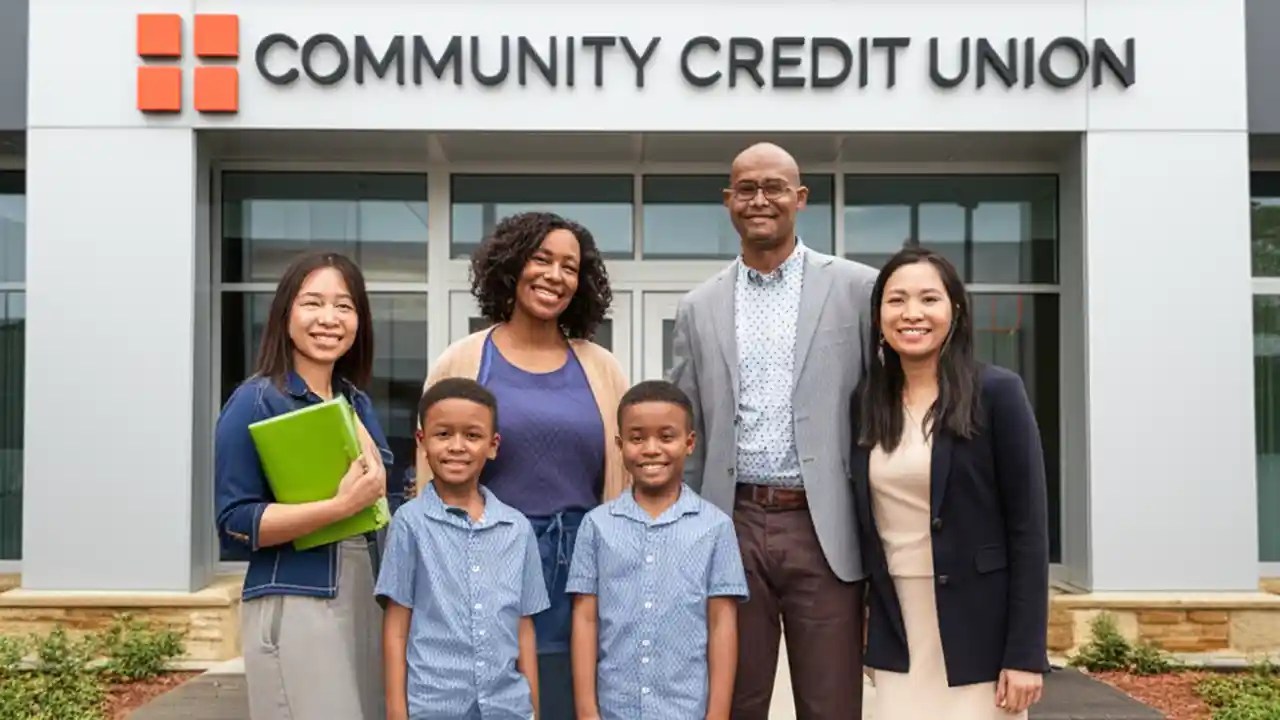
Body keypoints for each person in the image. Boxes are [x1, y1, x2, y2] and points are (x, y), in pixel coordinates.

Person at [668, 142, 878, 717]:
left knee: (830, 702)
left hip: (824, 525)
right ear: (728, 201)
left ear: (800, 198)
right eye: (746, 189)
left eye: (774, 188)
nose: (760, 199)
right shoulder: (698, 306)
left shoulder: (859, 290)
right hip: (729, 523)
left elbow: (880, 410)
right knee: (733, 698)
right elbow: (688, 430)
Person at [420, 211, 629, 719]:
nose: (555, 276)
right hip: (484, 563)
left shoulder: (602, 368)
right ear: (513, 267)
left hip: (579, 566)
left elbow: (621, 484)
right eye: (542, 259)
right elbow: (431, 477)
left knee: (567, 699)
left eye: (569, 267)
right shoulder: (462, 359)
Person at [850, 247, 1050, 719]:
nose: (912, 313)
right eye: (896, 300)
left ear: (954, 312)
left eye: (928, 299)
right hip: (897, 624)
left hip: (978, 627)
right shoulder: (865, 402)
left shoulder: (998, 393)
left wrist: (1025, 654)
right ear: (879, 317)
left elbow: (1029, 531)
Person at [214, 250, 394, 720]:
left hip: (366, 592)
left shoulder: (356, 402)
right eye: (312, 303)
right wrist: (338, 506)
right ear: (285, 314)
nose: (329, 318)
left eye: (345, 306)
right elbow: (236, 522)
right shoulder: (256, 400)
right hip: (297, 598)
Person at [566, 380, 747, 720]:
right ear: (619, 445)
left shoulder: (716, 527)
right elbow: (585, 618)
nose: (651, 449)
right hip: (615, 708)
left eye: (666, 437)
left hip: (685, 709)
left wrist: (718, 714)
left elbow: (722, 622)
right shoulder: (596, 525)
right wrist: (587, 711)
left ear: (689, 442)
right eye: (637, 438)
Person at [377, 377, 549, 720]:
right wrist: (397, 713)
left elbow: (524, 627)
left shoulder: (517, 528)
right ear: (422, 441)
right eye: (443, 434)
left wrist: (533, 709)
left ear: (493, 444)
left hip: (507, 707)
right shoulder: (410, 523)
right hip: (434, 706)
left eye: (472, 436)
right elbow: (397, 627)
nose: (457, 446)